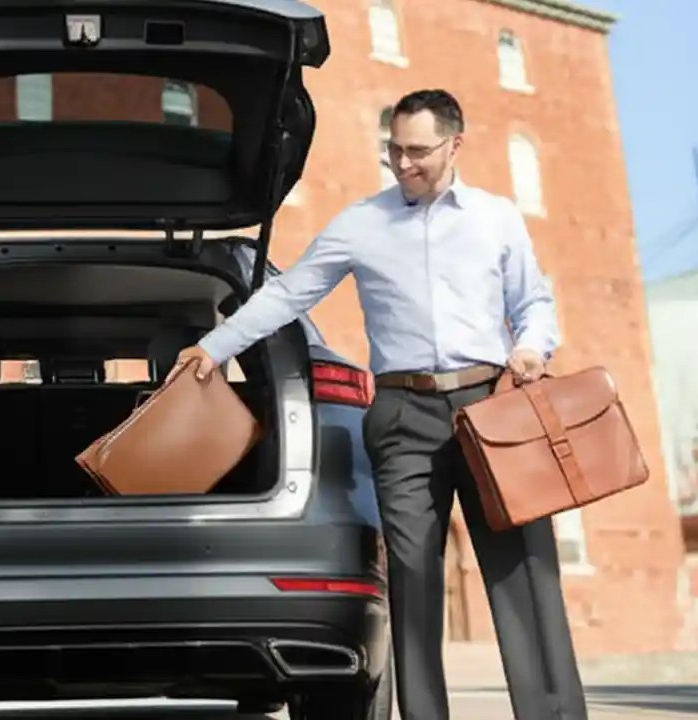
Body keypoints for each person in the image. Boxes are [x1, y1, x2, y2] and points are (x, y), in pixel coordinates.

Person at [173, 89, 589, 719]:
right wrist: (210, 346)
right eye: (394, 148)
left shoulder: (496, 217)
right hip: (403, 418)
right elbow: (286, 295)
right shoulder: (361, 224)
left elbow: (534, 304)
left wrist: (531, 347)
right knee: (415, 586)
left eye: (418, 151)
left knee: (525, 576)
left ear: (455, 144)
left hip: (492, 408)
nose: (403, 162)